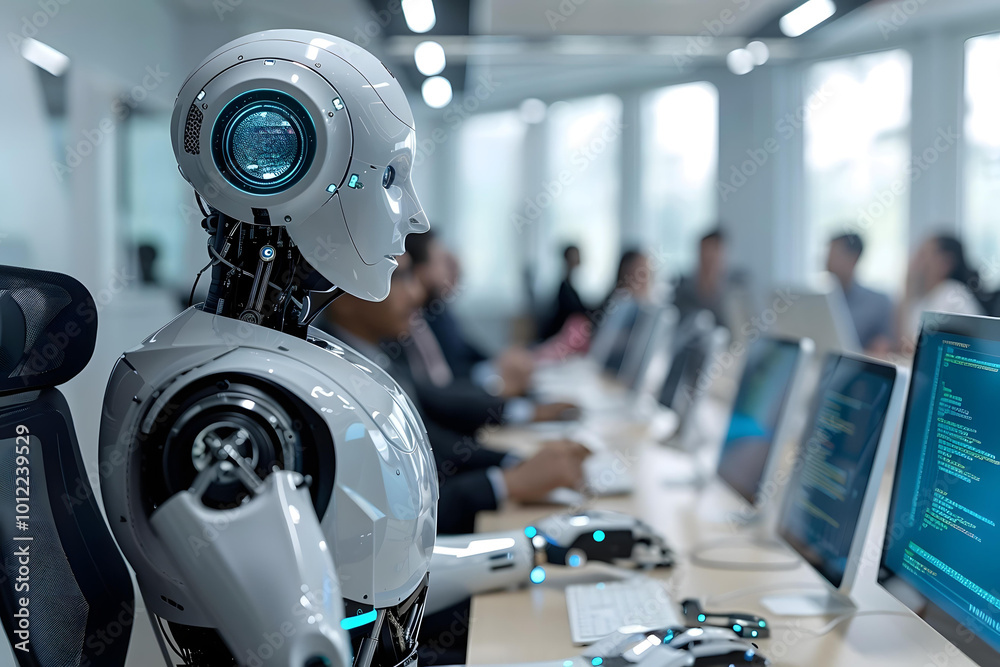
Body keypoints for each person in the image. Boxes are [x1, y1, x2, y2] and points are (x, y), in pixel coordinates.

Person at [321, 252, 590, 535]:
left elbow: (434, 429)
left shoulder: (379, 353)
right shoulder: (332, 383)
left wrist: (517, 460)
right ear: (343, 295)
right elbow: (391, 519)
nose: (416, 293)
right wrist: (505, 483)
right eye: (397, 278)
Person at [898, 233, 985, 352]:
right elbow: (903, 342)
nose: (916, 260)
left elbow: (915, 348)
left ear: (946, 263)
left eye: (923, 254)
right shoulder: (924, 297)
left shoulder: (952, 293)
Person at [825, 232, 894, 354]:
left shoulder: (878, 302)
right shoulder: (822, 301)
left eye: (834, 255)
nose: (827, 263)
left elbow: (883, 349)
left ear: (854, 258)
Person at [672, 228, 729, 329]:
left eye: (715, 253)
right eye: (705, 252)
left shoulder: (735, 293)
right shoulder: (683, 290)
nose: (709, 260)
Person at [540, 244, 590, 340]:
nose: (579, 259)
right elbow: (575, 312)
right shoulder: (565, 289)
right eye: (575, 255)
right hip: (557, 337)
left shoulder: (570, 287)